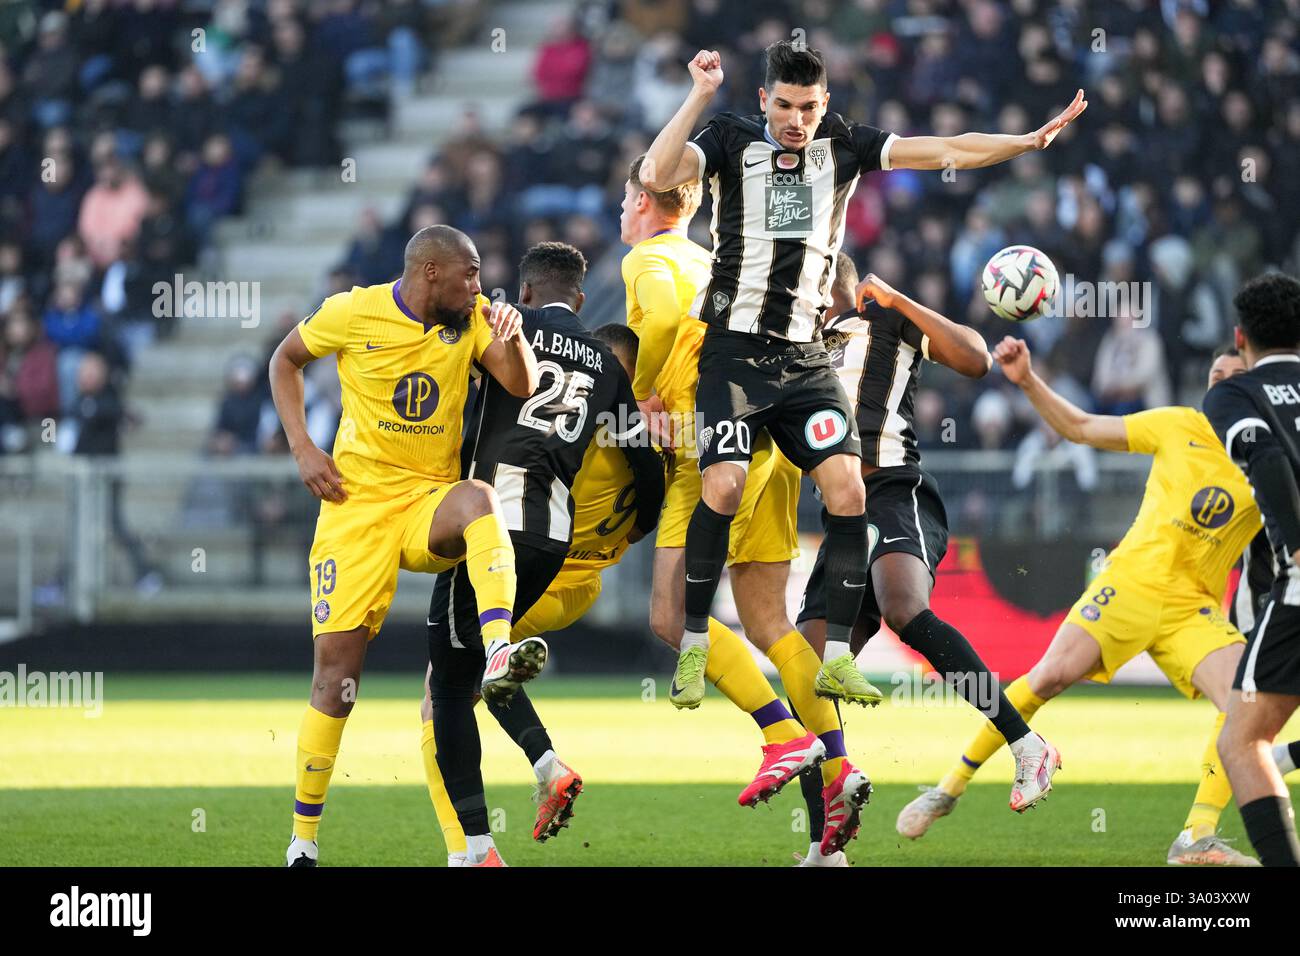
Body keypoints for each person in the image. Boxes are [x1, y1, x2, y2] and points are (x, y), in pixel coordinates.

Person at [638, 45, 1085, 775]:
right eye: (783, 105)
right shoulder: (724, 137)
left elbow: (946, 147)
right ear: (762, 99)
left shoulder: (846, 145)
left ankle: (842, 661)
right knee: (722, 486)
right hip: (735, 356)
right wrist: (695, 94)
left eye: (808, 108)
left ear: (824, 104)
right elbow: (658, 174)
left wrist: (1026, 141)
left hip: (804, 360)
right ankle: (692, 646)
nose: (795, 120)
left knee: (848, 490)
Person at [905, 335, 1300, 865]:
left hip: (1194, 609)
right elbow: (1083, 427)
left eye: (1234, 379)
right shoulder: (1177, 424)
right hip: (1129, 586)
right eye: (1215, 379)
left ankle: (1195, 837)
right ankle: (949, 787)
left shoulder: (1269, 457)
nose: (1222, 388)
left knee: (1243, 712)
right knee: (1048, 677)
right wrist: (1026, 380)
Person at [269, 224, 539, 868]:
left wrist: (512, 334)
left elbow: (521, 385)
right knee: (336, 683)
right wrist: (304, 448)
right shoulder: (352, 310)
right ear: (429, 274)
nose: (478, 285)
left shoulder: (473, 318)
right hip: (353, 508)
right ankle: (303, 840)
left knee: (476, 496)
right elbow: (285, 360)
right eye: (468, 273)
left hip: (424, 503)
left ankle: (498, 649)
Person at [793, 257, 1051, 866]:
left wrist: (900, 298)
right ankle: (824, 850)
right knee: (806, 675)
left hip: (894, 489)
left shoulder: (883, 321)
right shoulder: (800, 344)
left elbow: (975, 359)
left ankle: (1026, 744)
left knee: (904, 607)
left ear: (836, 276)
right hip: (841, 517)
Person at [423, 242, 665, 867]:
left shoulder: (503, 323)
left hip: (490, 524)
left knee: (448, 689)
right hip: (551, 539)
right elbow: (647, 470)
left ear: (525, 291)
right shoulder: (608, 367)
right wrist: (633, 533)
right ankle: (544, 765)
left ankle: (475, 850)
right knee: (485, 660)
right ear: (581, 301)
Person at [620, 153, 842, 815]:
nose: (621, 208)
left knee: (667, 616)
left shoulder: (645, 260)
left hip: (708, 440)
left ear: (643, 204)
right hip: (768, 429)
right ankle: (840, 768)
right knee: (771, 622)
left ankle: (781, 735)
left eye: (626, 197)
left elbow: (659, 322)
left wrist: (641, 397)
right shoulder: (710, 258)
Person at [1202, 273, 1300, 867]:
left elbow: (1263, 455)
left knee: (1241, 740)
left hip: (1296, 585)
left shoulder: (1236, 395)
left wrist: (1293, 548)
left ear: (1241, 339)